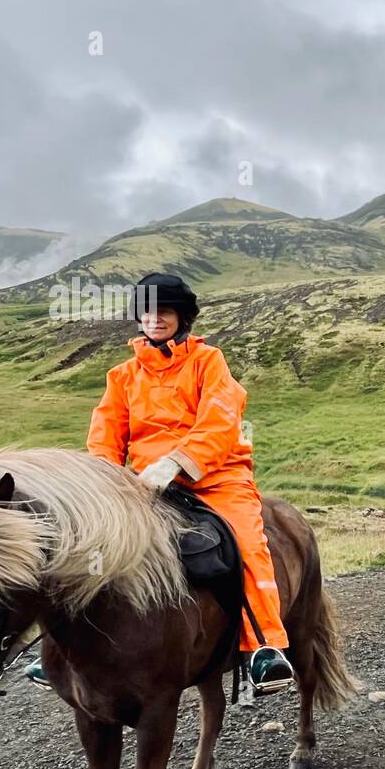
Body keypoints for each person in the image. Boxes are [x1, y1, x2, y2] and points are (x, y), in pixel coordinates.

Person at [82, 272, 294, 704]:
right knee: (90, 544)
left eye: (164, 311)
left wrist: (178, 461)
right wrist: (104, 480)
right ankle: (74, 645)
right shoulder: (121, 376)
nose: (154, 319)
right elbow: (105, 434)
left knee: (246, 543)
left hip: (216, 477)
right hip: (144, 484)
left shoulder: (208, 361)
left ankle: (263, 647)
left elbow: (220, 420)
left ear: (182, 317)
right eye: (147, 312)